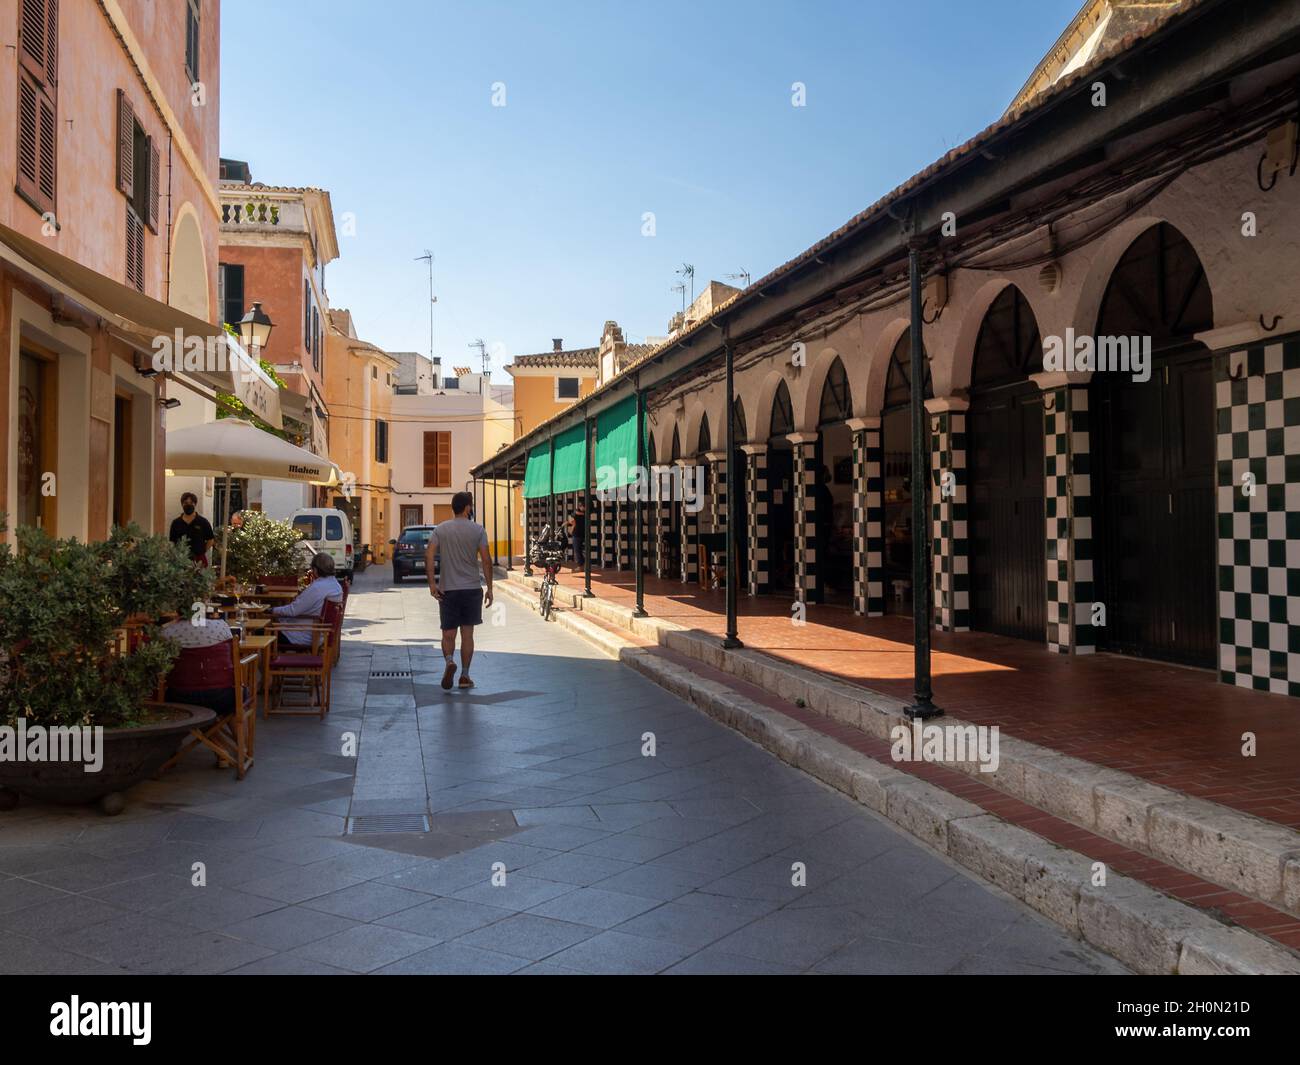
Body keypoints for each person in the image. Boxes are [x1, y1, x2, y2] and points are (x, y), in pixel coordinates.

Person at [427, 490, 493, 691]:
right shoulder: (478, 530)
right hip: (471, 589)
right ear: (467, 508)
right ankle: (464, 675)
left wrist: (432, 583)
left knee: (448, 634)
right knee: (467, 635)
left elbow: (429, 554)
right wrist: (490, 587)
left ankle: (449, 661)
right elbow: (486, 559)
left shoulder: (441, 529)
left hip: (448, 590)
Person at [270, 552, 343, 648]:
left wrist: (273, 610)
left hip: (301, 635)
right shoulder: (336, 586)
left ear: (315, 570)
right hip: (321, 633)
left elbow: (293, 610)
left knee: (260, 633)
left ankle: (264, 662)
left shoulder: (317, 588)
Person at [169, 492, 215, 567]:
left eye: (191, 503)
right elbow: (172, 542)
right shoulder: (176, 523)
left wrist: (202, 551)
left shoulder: (203, 522)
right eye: (186, 503)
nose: (188, 505)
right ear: (182, 504)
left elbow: (211, 539)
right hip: (181, 561)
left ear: (195, 504)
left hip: (199, 560)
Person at [565, 501, 586, 567]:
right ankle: (581, 564)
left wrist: (571, 528)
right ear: (581, 506)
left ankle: (581, 564)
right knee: (578, 550)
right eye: (583, 507)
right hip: (578, 533)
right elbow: (572, 521)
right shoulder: (575, 513)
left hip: (579, 534)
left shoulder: (577, 513)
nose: (585, 508)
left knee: (578, 550)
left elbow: (572, 521)